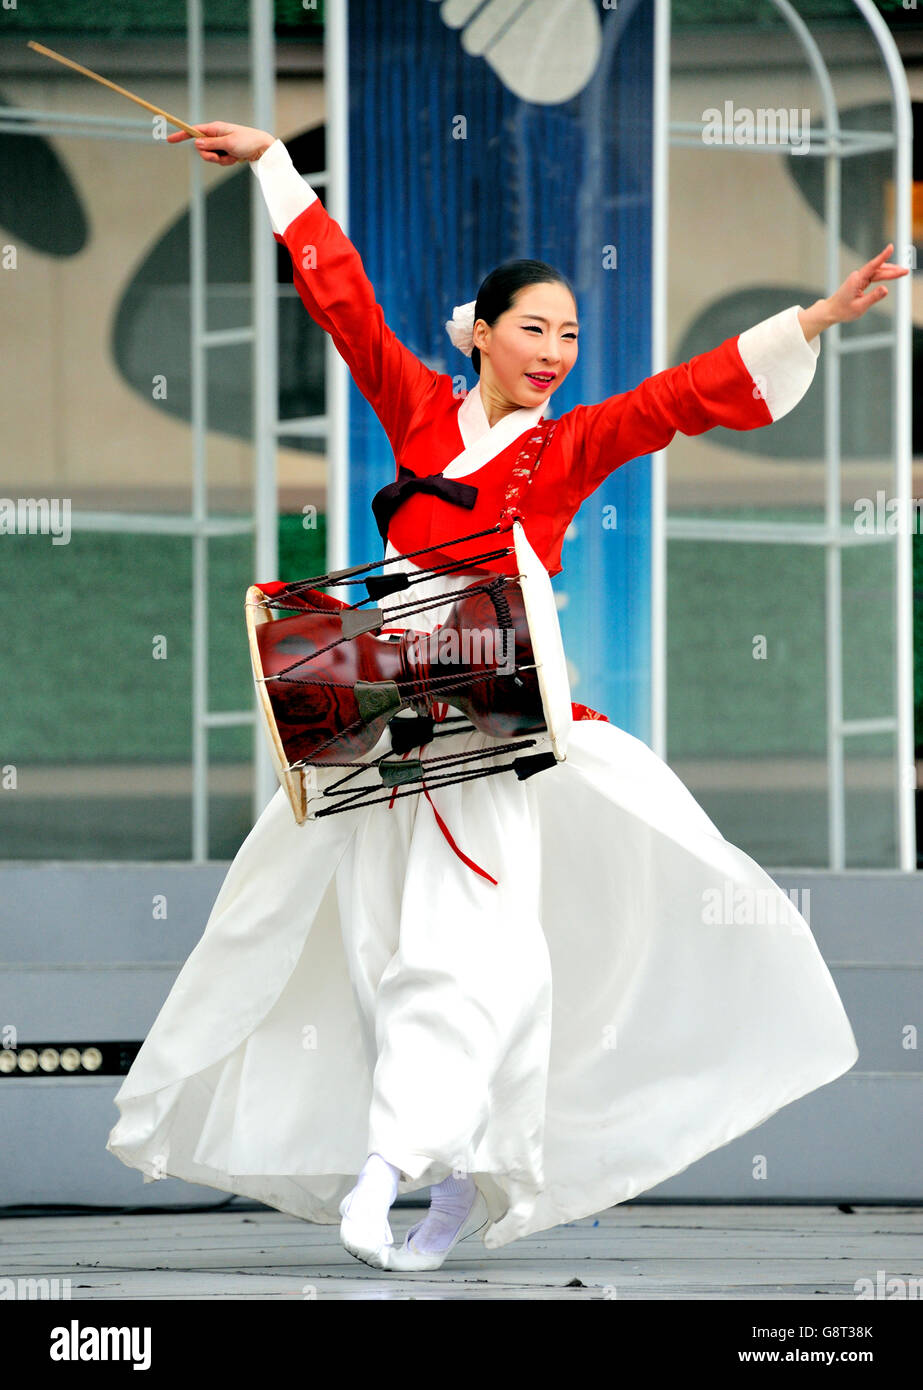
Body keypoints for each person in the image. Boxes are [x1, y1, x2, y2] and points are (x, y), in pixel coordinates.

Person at [106, 121, 905, 1274]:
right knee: (367, 944)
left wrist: (814, 321)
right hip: (379, 718)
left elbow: (676, 397)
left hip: (495, 722)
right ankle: (469, 1170)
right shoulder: (421, 413)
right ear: (479, 333)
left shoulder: (567, 444)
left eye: (571, 334)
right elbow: (343, 305)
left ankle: (397, 1163)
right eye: (532, 326)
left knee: (471, 943)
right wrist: (278, 162)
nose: (555, 349)